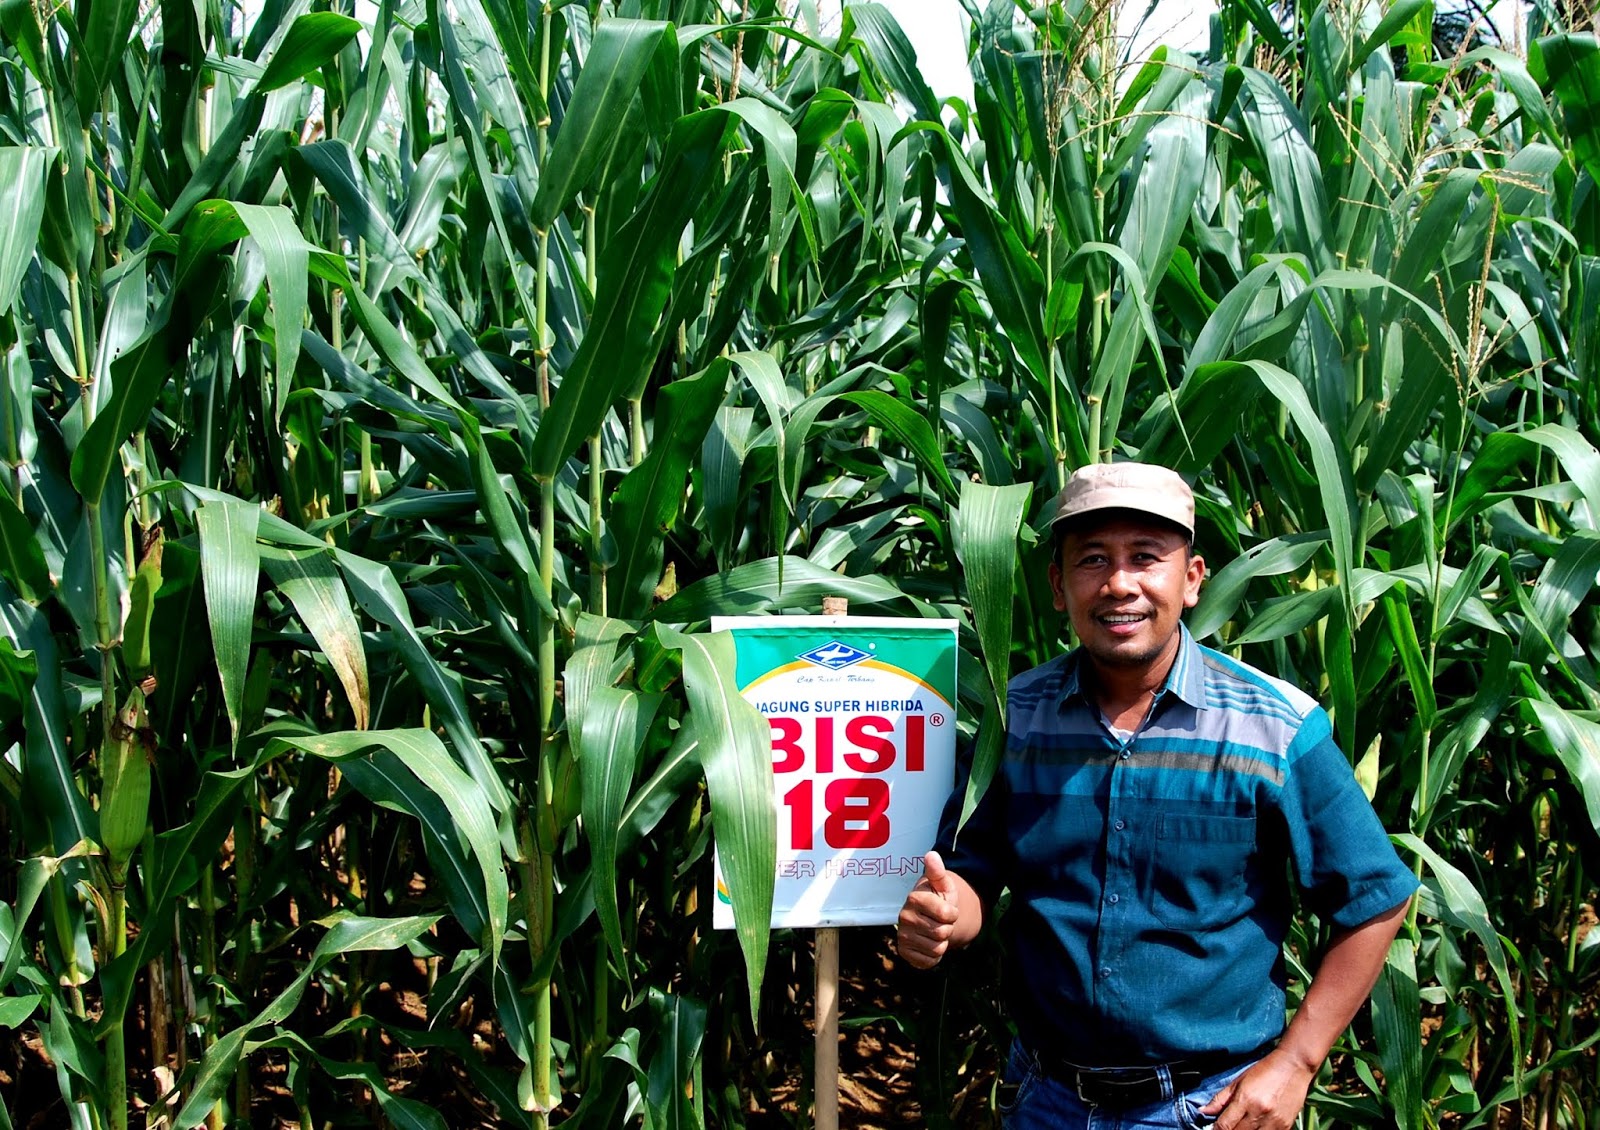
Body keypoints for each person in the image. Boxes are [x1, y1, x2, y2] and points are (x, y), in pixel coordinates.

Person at [896, 462, 1418, 1130]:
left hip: (1212, 1106)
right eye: (1091, 561)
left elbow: (1375, 896)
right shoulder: (1015, 718)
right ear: (1058, 586)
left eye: (1146, 558)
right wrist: (944, 917)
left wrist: (1297, 1062)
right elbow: (971, 877)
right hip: (1048, 1099)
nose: (1119, 584)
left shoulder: (1273, 727)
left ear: (1192, 579)